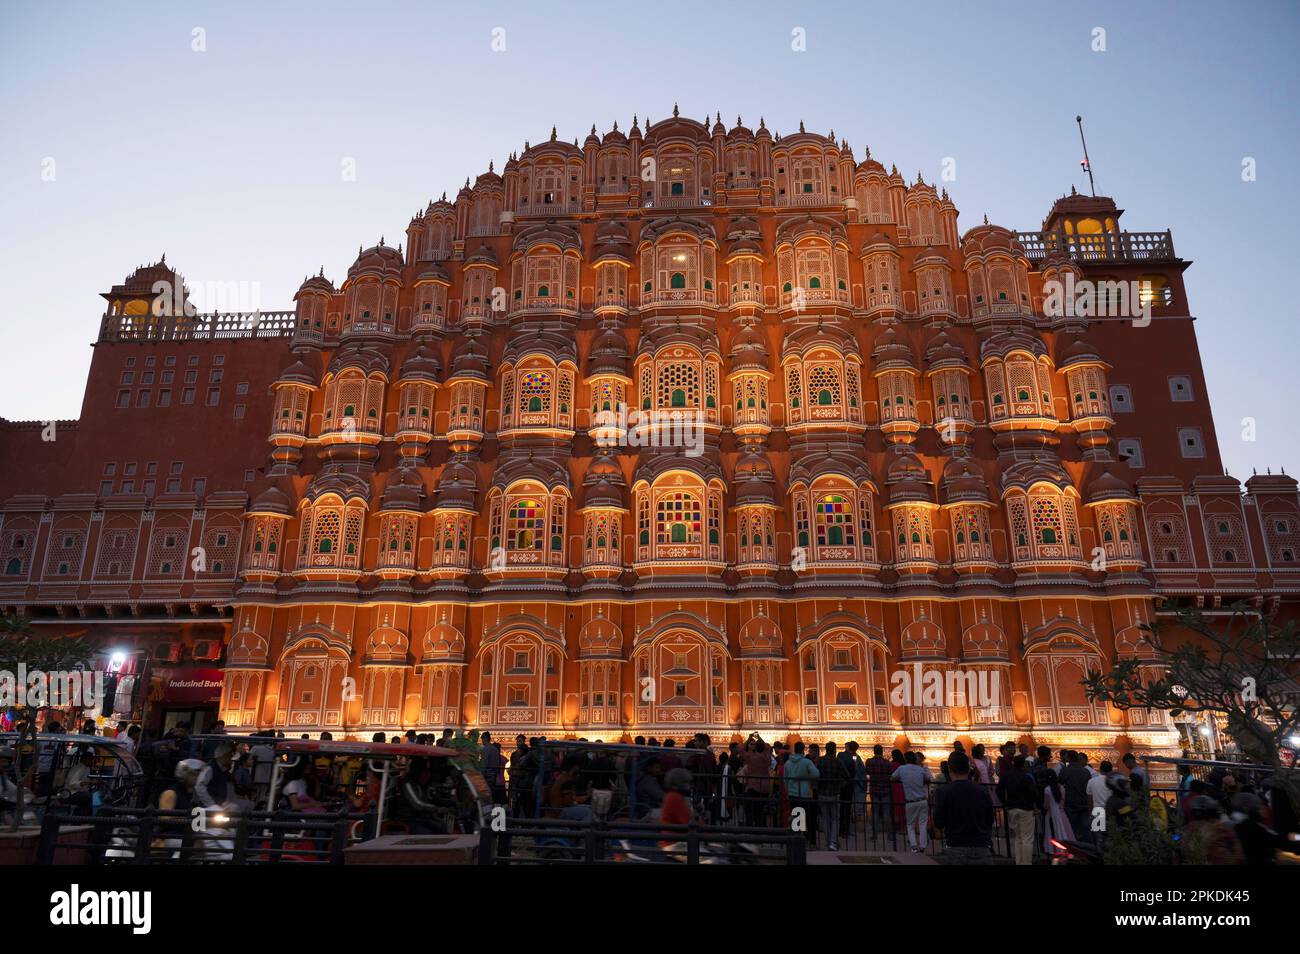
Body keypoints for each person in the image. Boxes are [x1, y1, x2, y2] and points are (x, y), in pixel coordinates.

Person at [933, 750, 995, 864]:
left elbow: (938, 822)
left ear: (949, 769)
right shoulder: (982, 791)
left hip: (956, 847)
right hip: (981, 847)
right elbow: (990, 819)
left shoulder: (943, 791)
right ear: (968, 769)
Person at [996, 754, 1037, 865]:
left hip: (1012, 808)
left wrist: (1005, 803)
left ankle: (1019, 862)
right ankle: (1026, 863)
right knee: (1027, 838)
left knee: (1018, 837)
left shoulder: (1006, 775)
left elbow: (999, 790)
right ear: (1024, 764)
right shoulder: (1027, 776)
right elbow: (1034, 792)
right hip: (1026, 809)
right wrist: (1035, 805)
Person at [891, 751, 932, 853]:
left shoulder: (902, 768)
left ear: (905, 759)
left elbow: (892, 778)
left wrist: (901, 779)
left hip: (910, 801)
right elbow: (928, 778)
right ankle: (922, 846)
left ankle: (914, 846)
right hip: (922, 800)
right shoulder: (920, 769)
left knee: (910, 825)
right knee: (923, 824)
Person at [783, 742, 820, 847]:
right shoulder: (806, 762)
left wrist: (788, 790)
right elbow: (816, 774)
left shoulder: (788, 763)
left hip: (792, 793)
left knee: (796, 817)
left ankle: (796, 841)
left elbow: (785, 779)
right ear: (803, 750)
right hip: (804, 793)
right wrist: (807, 776)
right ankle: (809, 841)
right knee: (808, 817)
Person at [816, 741, 846, 851]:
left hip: (822, 793)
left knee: (824, 817)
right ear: (834, 750)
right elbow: (845, 775)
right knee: (835, 819)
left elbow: (816, 774)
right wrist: (841, 785)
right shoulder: (838, 762)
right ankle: (833, 842)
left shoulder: (820, 760)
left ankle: (827, 841)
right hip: (834, 793)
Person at [1059, 750, 1093, 846]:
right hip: (1085, 803)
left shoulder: (1066, 770)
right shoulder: (1086, 771)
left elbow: (1059, 782)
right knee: (1086, 829)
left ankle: (1073, 851)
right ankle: (1089, 850)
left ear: (1069, 758)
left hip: (1071, 804)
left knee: (1072, 829)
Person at [544, 757, 592, 822]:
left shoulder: (563, 776)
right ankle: (584, 831)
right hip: (559, 811)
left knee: (587, 808)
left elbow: (570, 799)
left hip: (556, 809)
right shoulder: (567, 780)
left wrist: (584, 798)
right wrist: (577, 803)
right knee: (589, 812)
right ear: (574, 766)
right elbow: (568, 803)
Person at [863, 744, 894, 837]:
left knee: (875, 812)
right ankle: (890, 835)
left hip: (874, 788)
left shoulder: (869, 761)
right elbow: (890, 773)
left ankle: (874, 833)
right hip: (885, 789)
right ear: (882, 751)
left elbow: (867, 771)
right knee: (886, 812)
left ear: (874, 751)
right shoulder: (887, 762)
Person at [1086, 760, 1114, 848]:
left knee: (1098, 839)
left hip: (1096, 812)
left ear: (1100, 769)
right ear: (1111, 771)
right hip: (1110, 813)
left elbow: (1089, 799)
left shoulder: (1091, 781)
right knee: (1111, 838)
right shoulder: (1113, 782)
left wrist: (1090, 814)